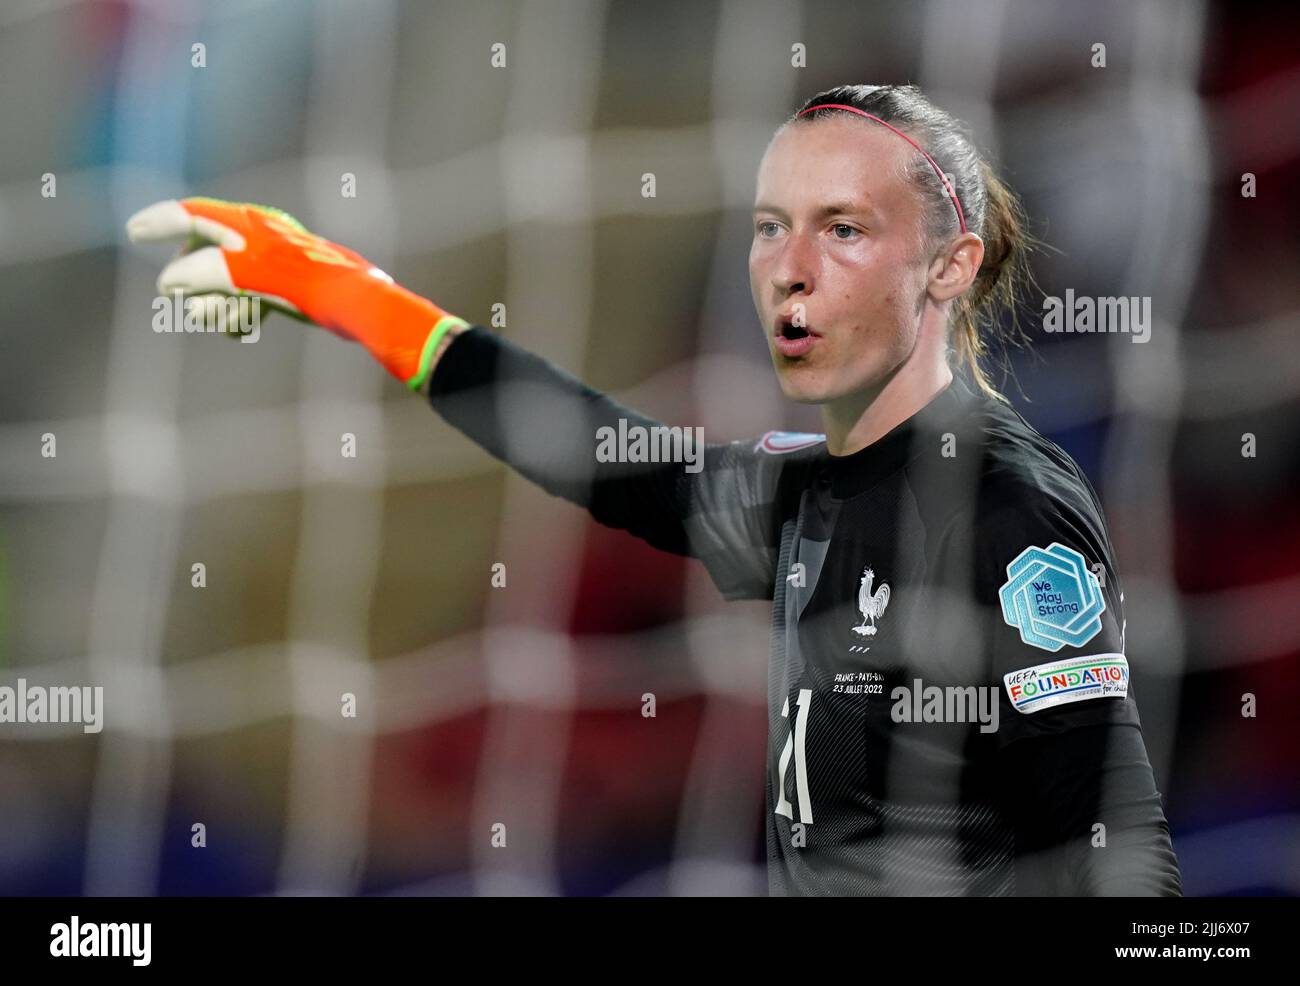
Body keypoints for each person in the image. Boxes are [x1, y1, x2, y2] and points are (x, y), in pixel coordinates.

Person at [127, 83, 1182, 896]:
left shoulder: (1010, 509)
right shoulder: (811, 497)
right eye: (774, 228)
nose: (792, 269)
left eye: (844, 229)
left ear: (950, 267)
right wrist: (342, 291)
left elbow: (1113, 842)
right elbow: (593, 453)